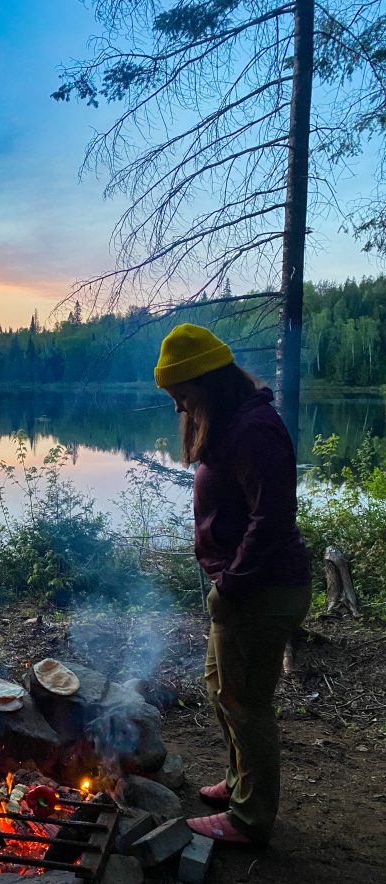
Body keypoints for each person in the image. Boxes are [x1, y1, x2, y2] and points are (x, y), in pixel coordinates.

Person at [154, 324, 311, 845]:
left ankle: (249, 819)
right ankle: (241, 781)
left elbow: (272, 520)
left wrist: (233, 586)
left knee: (246, 703)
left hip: (261, 591)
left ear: (209, 382)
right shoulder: (230, 425)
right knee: (221, 688)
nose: (178, 406)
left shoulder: (254, 430)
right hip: (243, 588)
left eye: (182, 393)